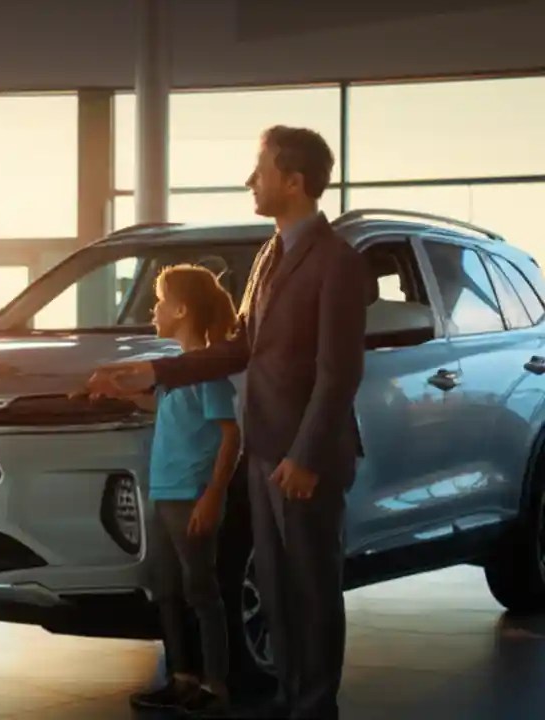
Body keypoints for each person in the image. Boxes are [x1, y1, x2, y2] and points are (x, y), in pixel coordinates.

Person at [89, 126, 370, 720]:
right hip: (266, 453)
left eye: (261, 170)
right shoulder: (271, 254)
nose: (251, 180)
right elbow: (242, 347)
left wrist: (307, 456)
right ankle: (293, 700)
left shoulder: (336, 263)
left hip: (303, 460)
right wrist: (155, 373)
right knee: (275, 592)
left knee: (313, 591)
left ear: (294, 182)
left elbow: (338, 372)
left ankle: (316, 708)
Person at [122, 265, 241, 717]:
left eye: (158, 300)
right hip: (164, 491)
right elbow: (166, 410)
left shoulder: (207, 373)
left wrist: (213, 495)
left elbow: (231, 436)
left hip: (191, 494)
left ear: (181, 309)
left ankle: (215, 685)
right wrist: (117, 392)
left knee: (200, 589)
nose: (153, 309)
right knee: (167, 588)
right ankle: (181, 678)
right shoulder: (176, 373)